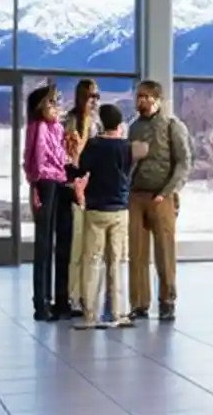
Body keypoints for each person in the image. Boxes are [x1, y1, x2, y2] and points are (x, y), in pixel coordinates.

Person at [71, 103, 148, 330]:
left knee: (93, 261)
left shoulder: (94, 145)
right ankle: (116, 312)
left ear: (102, 122)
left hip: (96, 208)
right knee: (116, 262)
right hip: (120, 210)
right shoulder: (126, 147)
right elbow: (139, 154)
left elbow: (81, 168)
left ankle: (90, 315)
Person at [126, 80, 191, 322]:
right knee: (137, 253)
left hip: (161, 196)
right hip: (136, 195)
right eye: (138, 96)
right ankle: (139, 302)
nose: (140, 101)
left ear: (157, 99)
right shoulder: (133, 128)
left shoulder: (172, 126)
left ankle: (167, 300)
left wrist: (168, 191)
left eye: (145, 97)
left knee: (164, 252)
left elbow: (184, 162)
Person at [22, 84, 69, 321]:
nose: (56, 107)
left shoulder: (57, 128)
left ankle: (53, 301)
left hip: (58, 181)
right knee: (43, 245)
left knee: (54, 242)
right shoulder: (38, 127)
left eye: (56, 102)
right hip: (45, 182)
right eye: (51, 103)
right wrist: (35, 187)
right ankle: (40, 303)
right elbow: (35, 159)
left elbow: (61, 157)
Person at [63, 79, 103, 318]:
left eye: (97, 96)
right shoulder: (70, 122)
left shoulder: (96, 123)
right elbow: (69, 157)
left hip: (92, 189)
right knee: (75, 247)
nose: (95, 101)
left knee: (91, 249)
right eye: (91, 97)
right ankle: (72, 296)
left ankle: (86, 296)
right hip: (73, 187)